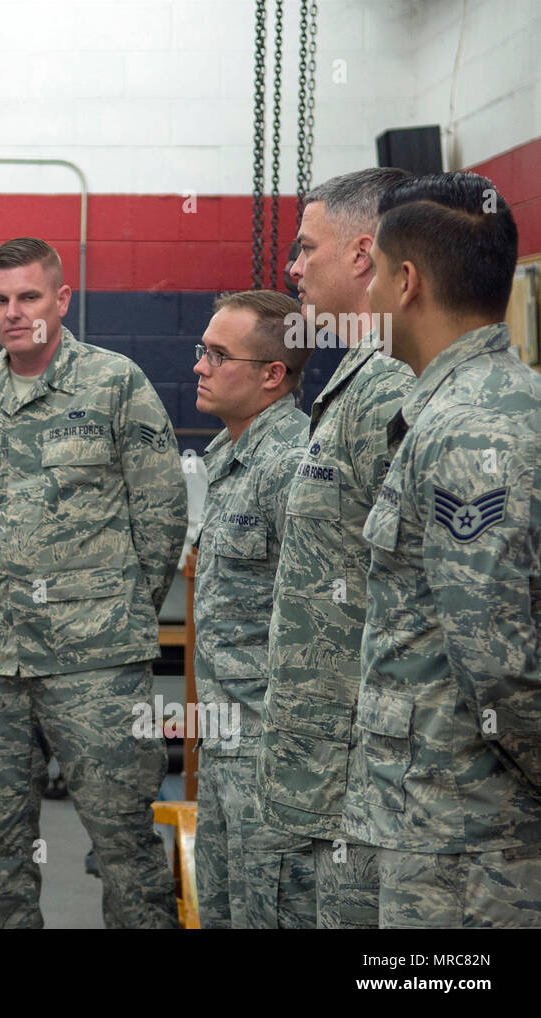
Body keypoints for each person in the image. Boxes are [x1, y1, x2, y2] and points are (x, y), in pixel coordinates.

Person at [0, 236, 186, 928]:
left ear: (62, 299)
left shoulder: (116, 385)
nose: (13, 313)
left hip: (97, 664)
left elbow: (162, 515)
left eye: (29, 297)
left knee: (122, 846)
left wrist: (113, 613)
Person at [345, 173, 541, 926]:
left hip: (467, 840)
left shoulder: (468, 429)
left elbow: (498, 664)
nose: (364, 303)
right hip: (451, 823)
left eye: (374, 277)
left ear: (406, 282)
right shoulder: (485, 402)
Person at [255, 167, 414, 928]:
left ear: (361, 256)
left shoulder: (388, 386)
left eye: (305, 248)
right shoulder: (350, 379)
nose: (292, 268)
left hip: (369, 769)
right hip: (329, 762)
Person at [190, 289, 314, 927]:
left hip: (270, 758)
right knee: (223, 912)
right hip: (224, 745)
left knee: (268, 914)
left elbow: (319, 624)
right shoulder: (232, 457)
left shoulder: (293, 466)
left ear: (272, 375)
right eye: (201, 350)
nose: (199, 367)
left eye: (218, 355)